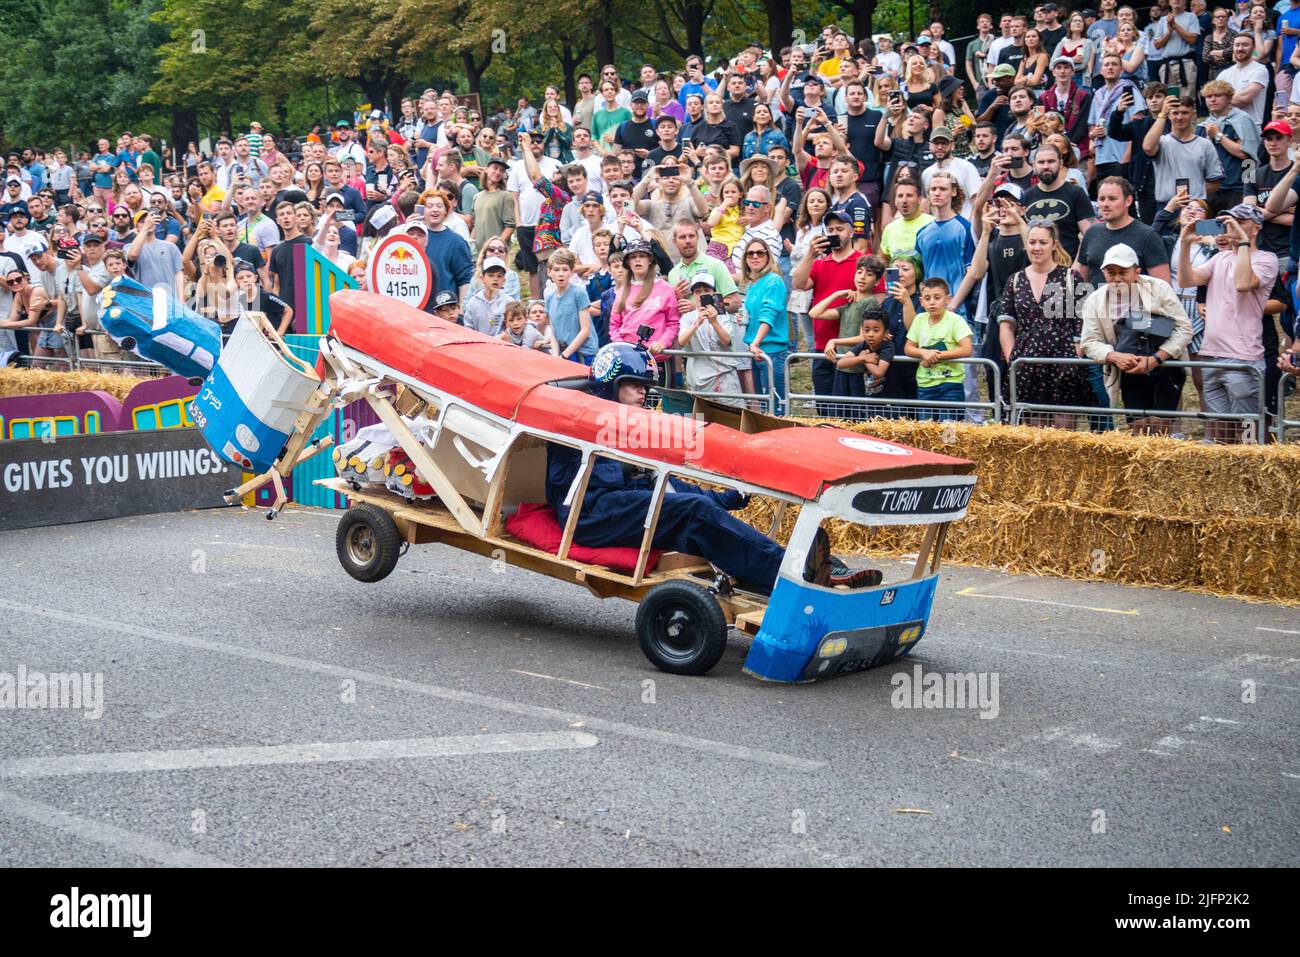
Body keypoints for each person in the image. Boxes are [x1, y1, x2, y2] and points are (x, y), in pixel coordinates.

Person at [543, 341, 876, 594]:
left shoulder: (626, 424)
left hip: (616, 503)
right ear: (610, 384)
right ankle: (793, 572)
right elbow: (611, 485)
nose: (644, 394)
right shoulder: (580, 421)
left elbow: (658, 483)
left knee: (697, 512)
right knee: (691, 509)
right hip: (588, 514)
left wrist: (728, 496)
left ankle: (800, 573)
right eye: (636, 386)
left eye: (647, 387)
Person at [1175, 203, 1277, 441]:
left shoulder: (1267, 259)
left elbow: (1243, 283)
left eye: (1240, 223)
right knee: (1220, 432)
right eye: (1228, 223)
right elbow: (1185, 279)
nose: (1231, 228)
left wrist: (1242, 242)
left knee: (1248, 433)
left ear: (1256, 229)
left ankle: (1251, 474)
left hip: (1243, 356)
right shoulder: (1219, 259)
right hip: (1211, 354)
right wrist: (1185, 243)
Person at [1080, 243, 1195, 432]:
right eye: (1111, 272)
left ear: (1136, 271)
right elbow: (1089, 341)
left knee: (1159, 426)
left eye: (1123, 272)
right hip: (1129, 368)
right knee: (1138, 427)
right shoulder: (1096, 300)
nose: (1116, 278)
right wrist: (1114, 356)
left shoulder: (1159, 288)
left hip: (1165, 366)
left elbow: (1183, 328)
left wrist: (1157, 358)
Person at [996, 222, 1094, 428]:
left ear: (1054, 245)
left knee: (1063, 430)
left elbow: (1084, 321)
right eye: (1032, 242)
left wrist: (1075, 353)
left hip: (1063, 364)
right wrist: (1014, 358)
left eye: (1043, 242)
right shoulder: (1015, 280)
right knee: (1034, 432)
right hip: (1026, 365)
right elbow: (1006, 324)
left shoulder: (1071, 277)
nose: (1037, 247)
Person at [1076, 176, 1173, 284]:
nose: (1105, 204)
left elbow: (1163, 286)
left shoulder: (1147, 236)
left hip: (1134, 299)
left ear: (1128, 201)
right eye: (1102, 199)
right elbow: (1081, 279)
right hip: (1097, 299)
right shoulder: (1091, 233)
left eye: (1112, 199)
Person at [904, 277, 975, 420]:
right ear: (921, 301)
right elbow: (908, 348)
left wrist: (937, 356)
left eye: (937, 297)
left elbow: (967, 349)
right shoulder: (919, 319)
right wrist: (923, 352)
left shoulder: (955, 320)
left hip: (950, 384)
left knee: (948, 432)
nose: (932, 302)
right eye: (927, 298)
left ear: (948, 299)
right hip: (925, 384)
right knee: (925, 431)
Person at [738, 237, 790, 413]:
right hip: (756, 351)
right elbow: (757, 315)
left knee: (776, 410)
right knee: (765, 408)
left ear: (768, 256)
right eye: (750, 253)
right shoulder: (754, 285)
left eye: (760, 252)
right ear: (745, 258)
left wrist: (756, 342)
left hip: (771, 353)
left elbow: (769, 315)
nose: (755, 256)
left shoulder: (773, 281)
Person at [1141, 94, 1224, 203]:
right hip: (1166, 206)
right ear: (1169, 116)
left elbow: (1215, 181)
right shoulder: (1162, 142)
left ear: (1193, 115)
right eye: (1175, 113)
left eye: (1185, 113)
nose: (1179, 117)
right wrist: (1162, 114)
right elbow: (1147, 147)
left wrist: (1193, 195)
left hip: (1194, 206)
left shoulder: (1205, 144)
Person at [676, 272, 744, 407]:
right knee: (703, 421)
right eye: (698, 291)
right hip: (699, 380)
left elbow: (727, 340)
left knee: (734, 417)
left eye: (706, 290)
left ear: (713, 293)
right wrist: (696, 323)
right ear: (693, 295)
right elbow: (681, 341)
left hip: (725, 378)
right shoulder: (687, 318)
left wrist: (714, 322)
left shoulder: (723, 316)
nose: (702, 295)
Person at [545, 248, 598, 363]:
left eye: (565, 269)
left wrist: (564, 356)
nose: (561, 274)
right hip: (563, 353)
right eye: (556, 269)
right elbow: (553, 332)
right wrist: (555, 356)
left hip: (583, 354)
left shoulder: (578, 293)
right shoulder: (549, 297)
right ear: (549, 272)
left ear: (572, 272)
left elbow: (585, 330)